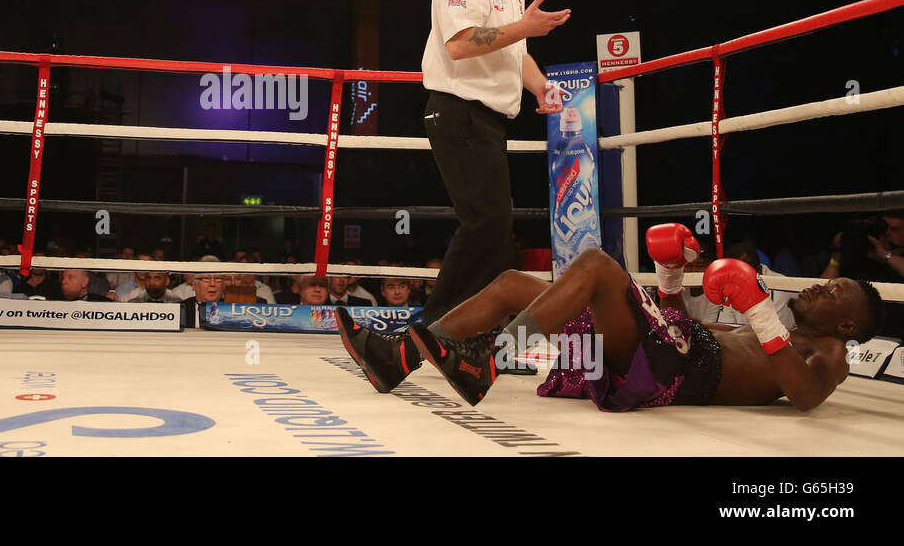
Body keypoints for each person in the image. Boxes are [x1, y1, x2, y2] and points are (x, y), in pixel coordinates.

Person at [339, 223, 885, 411]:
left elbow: (806, 396)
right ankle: (394, 360)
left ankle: (488, 362)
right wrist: (669, 275)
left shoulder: (828, 354)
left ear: (847, 326)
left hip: (682, 372)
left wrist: (759, 311)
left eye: (834, 292)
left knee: (599, 266)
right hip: (677, 351)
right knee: (509, 284)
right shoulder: (779, 335)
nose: (819, 286)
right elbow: (681, 327)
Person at [420, 0, 569, 319]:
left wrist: (541, 86)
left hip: (483, 121)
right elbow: (461, 43)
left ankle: (469, 329)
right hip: (459, 112)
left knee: (494, 230)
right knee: (487, 225)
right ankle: (438, 329)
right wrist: (523, 27)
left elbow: (512, 52)